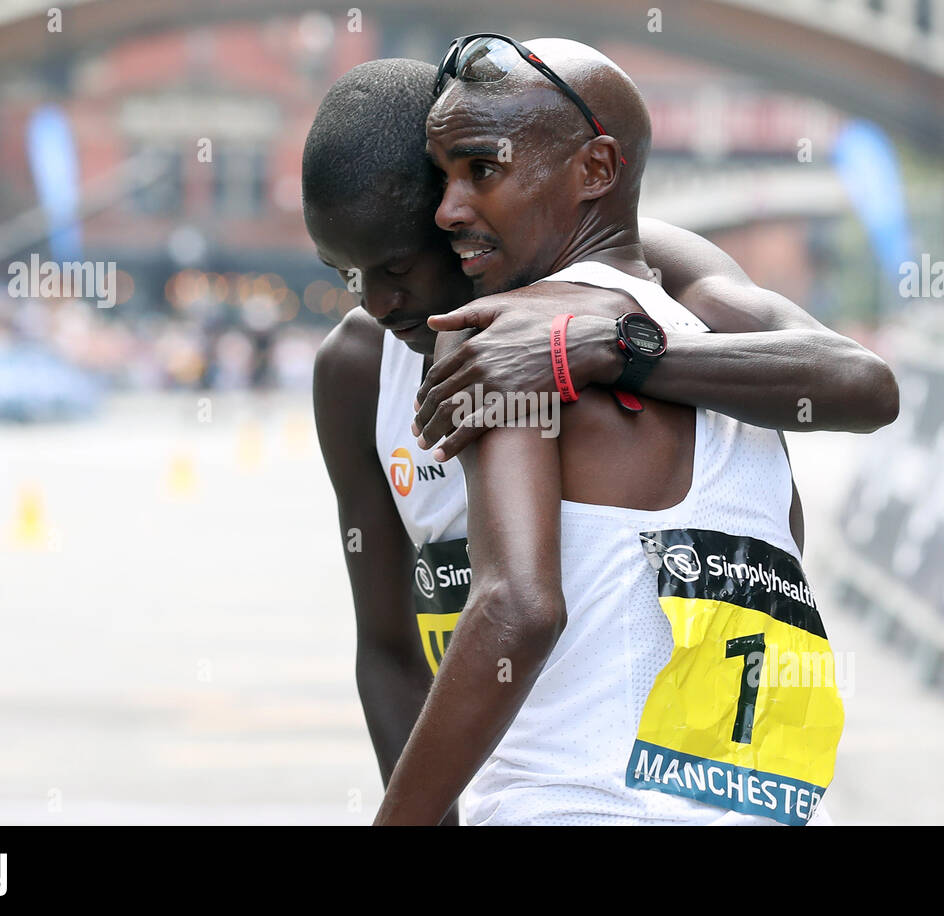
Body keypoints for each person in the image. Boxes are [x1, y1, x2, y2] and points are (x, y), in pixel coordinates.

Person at [303, 53, 897, 825]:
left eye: (397, 265)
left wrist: (609, 349)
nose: (379, 302)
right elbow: (389, 651)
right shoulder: (358, 369)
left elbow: (863, 386)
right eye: (342, 272)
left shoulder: (606, 294)